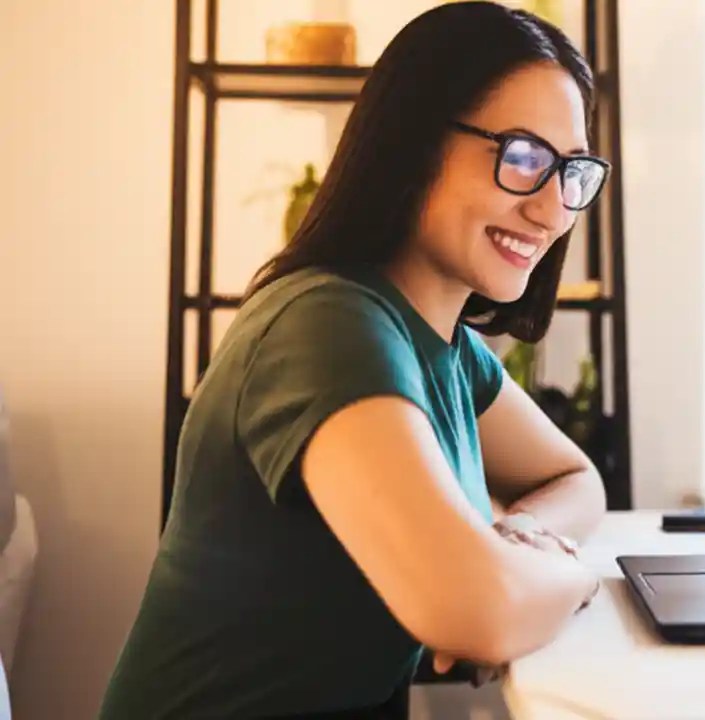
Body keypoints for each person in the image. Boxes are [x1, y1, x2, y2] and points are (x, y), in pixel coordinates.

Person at [100, 3, 609, 717]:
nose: (554, 208)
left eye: (572, 171)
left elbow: (574, 478)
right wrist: (573, 575)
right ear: (414, 143)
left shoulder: (448, 352)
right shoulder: (327, 325)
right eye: (523, 157)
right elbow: (475, 611)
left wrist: (519, 542)